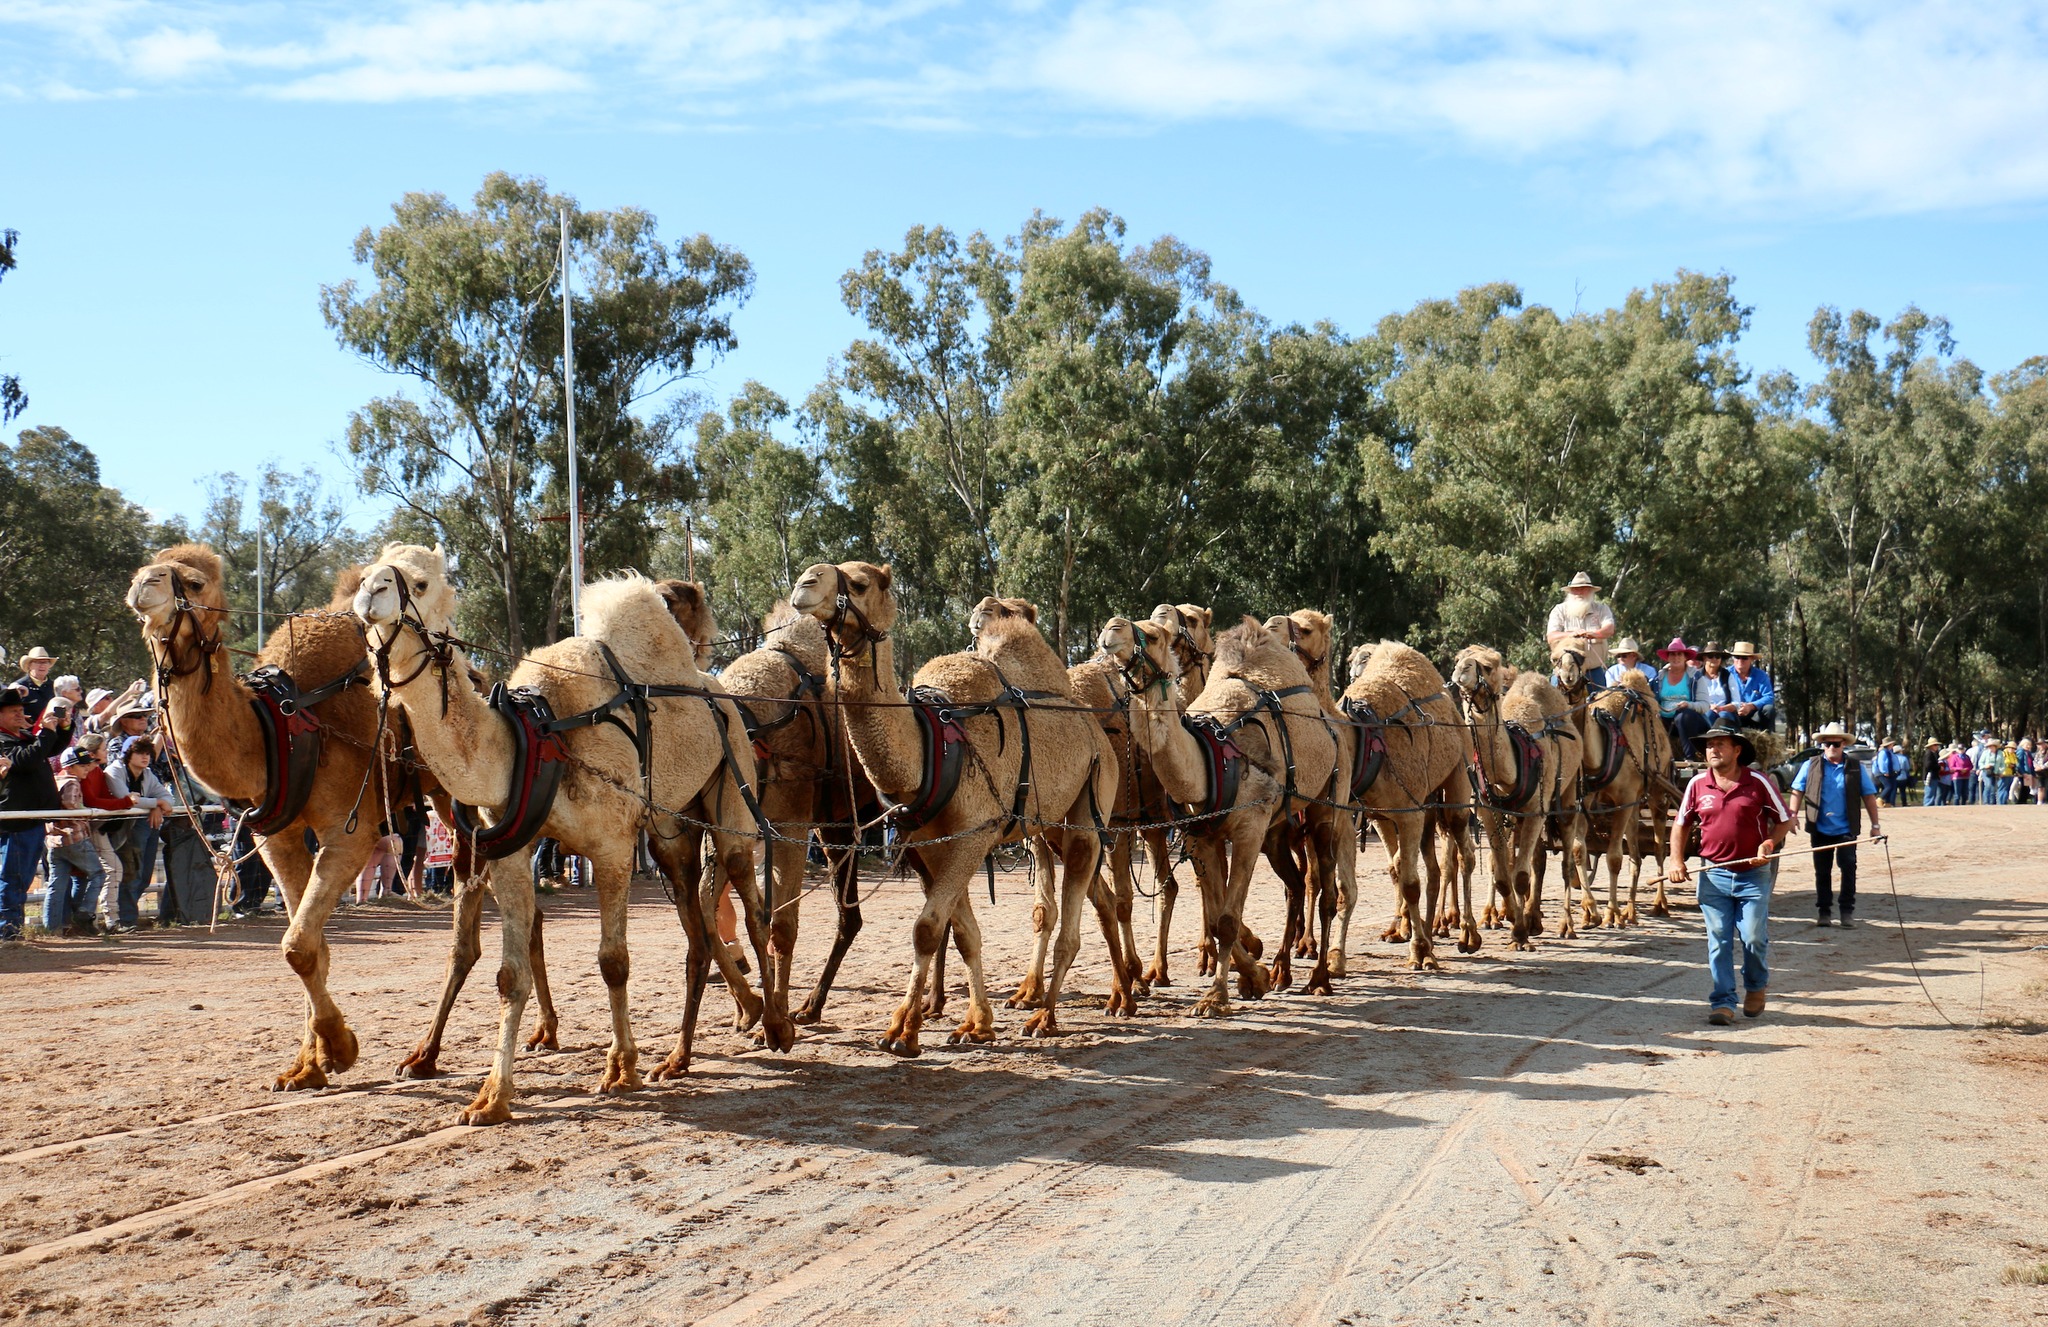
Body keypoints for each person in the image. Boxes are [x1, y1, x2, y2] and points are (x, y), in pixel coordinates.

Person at [1668, 726, 1793, 1025]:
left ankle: (1755, 985)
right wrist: (1675, 859)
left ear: (1737, 750)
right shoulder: (1697, 785)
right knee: (1719, 940)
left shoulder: (1758, 782)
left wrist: (1769, 842)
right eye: (1709, 745)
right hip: (1714, 874)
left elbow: (1785, 820)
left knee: (1752, 937)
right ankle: (1723, 1002)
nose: (1713, 750)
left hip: (1753, 874)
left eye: (1720, 745)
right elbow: (1681, 824)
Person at [1788, 721, 1884, 928]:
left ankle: (1846, 912)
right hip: (1820, 828)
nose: (1832, 747)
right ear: (1821, 744)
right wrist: (1793, 814)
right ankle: (1824, 912)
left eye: (1836, 744)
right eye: (1827, 743)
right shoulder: (1810, 765)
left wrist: (1875, 825)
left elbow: (1868, 796)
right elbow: (1797, 791)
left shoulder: (1854, 768)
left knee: (1848, 867)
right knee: (1822, 871)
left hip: (1846, 830)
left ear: (1843, 745)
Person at [0, 684, 72, 940]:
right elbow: (28, 759)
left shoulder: (20, 737)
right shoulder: (3, 740)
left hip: (28, 819)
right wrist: (46, 732)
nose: (21, 715)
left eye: (21, 709)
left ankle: (11, 929)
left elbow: (49, 749)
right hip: (16, 821)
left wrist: (61, 727)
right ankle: (8, 931)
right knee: (13, 877)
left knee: (19, 876)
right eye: (13, 711)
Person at [105, 737, 172, 933]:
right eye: (140, 752)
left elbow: (166, 797)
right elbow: (125, 798)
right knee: (130, 873)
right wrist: (155, 804)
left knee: (142, 876)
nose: (145, 757)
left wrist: (156, 806)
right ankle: (126, 920)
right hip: (121, 828)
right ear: (128, 755)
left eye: (147, 753)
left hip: (145, 824)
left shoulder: (148, 774)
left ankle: (127, 918)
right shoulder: (114, 771)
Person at [43, 753, 106, 936]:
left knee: (56, 885)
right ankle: (84, 912)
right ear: (70, 767)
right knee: (99, 874)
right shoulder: (72, 782)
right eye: (82, 766)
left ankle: (52, 929)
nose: (86, 768)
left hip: (55, 841)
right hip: (74, 838)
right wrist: (89, 811)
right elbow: (70, 803)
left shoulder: (55, 780)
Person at [1546, 572, 1618, 687]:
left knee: (1602, 703)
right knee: (1555, 702)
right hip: (1564, 671)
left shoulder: (1602, 609)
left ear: (1590, 591)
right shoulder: (1559, 610)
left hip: (1593, 672)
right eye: (1575, 589)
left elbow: (1609, 629)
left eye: (1583, 589)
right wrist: (1572, 634)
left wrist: (1593, 634)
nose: (1579, 592)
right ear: (1570, 591)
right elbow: (1551, 637)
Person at [1654, 637, 1706, 758]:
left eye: (1679, 654)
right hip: (1665, 720)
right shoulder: (1659, 678)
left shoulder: (1696, 677)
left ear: (1685, 657)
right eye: (1672, 654)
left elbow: (1705, 705)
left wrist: (1689, 705)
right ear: (1667, 657)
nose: (1676, 657)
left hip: (1690, 722)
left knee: (1683, 716)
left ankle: (1690, 758)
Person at [1723, 642, 1776, 730]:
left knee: (1769, 709)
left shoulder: (1761, 675)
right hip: (1732, 714)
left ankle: (1766, 738)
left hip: (1754, 715)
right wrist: (1734, 707)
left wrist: (1750, 706)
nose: (1740, 660)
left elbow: (1769, 697)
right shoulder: (1725, 674)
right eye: (1737, 657)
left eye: (1744, 658)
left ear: (1751, 659)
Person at [10, 646, 58, 724]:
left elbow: (59, 711)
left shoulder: (55, 686)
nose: (42, 665)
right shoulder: (20, 686)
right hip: (27, 732)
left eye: (45, 662)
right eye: (38, 662)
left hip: (52, 732)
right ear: (29, 665)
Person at [1872, 739, 1909, 806]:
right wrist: (1884, 771)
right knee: (1889, 786)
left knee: (1891, 787)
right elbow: (1882, 762)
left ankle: (1887, 803)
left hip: (1892, 773)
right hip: (1884, 773)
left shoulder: (1890, 752)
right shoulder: (1883, 752)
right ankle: (1880, 799)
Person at [1921, 738, 1943, 806]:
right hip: (1930, 776)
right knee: (1929, 792)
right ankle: (1927, 805)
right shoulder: (1929, 754)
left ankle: (1930, 805)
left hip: (1934, 775)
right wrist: (1939, 767)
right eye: (1935, 745)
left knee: (1933, 793)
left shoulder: (1934, 753)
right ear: (1931, 746)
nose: (1937, 746)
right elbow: (1928, 765)